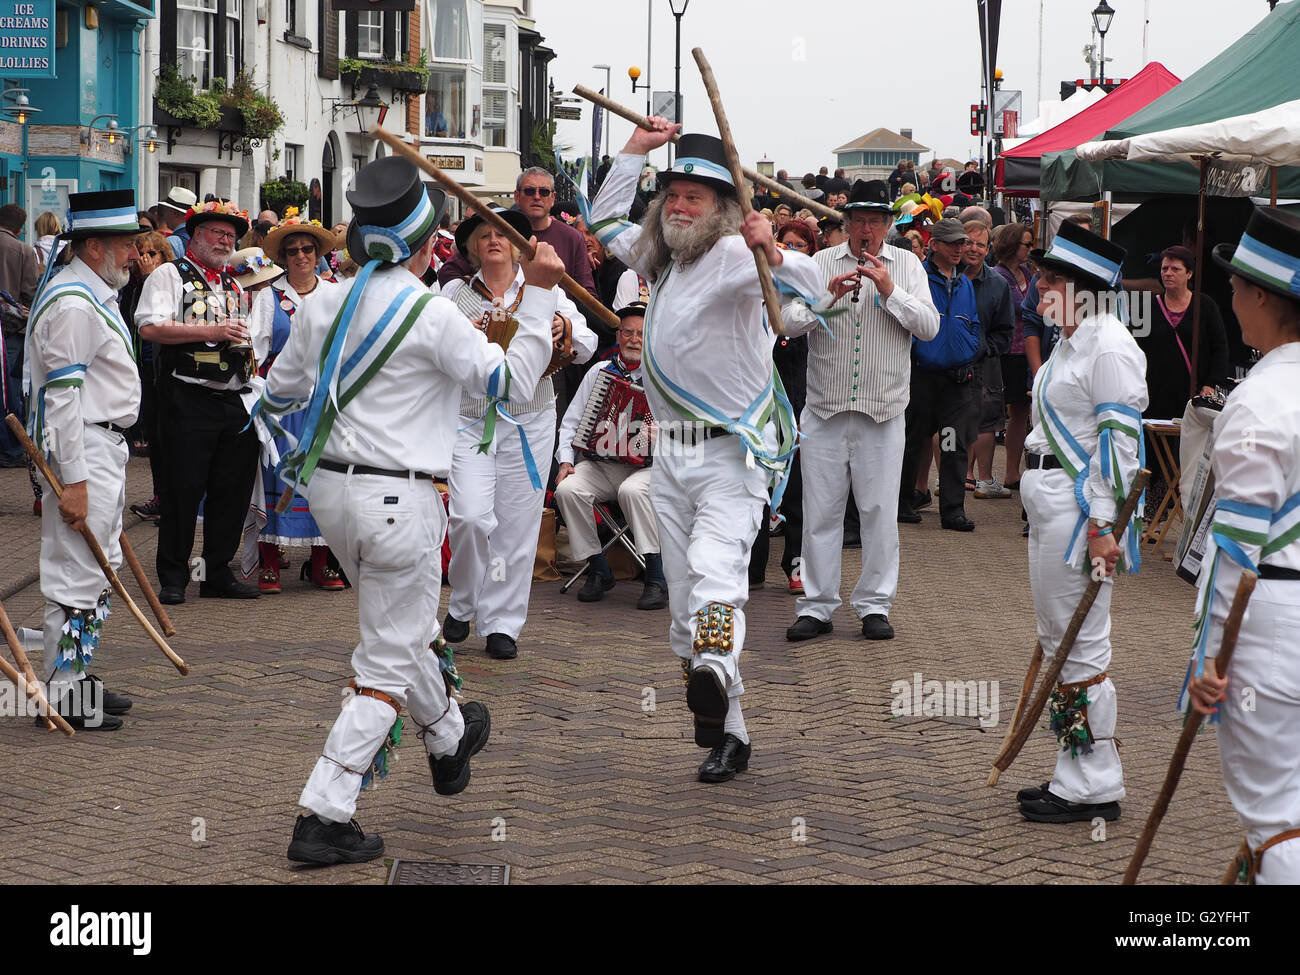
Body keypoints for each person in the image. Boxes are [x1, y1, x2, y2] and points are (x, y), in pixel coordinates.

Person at [257, 155, 563, 865]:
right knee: (386, 660)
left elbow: (277, 395)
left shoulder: (322, 301)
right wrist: (541, 295)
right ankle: (324, 813)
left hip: (331, 498)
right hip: (400, 500)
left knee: (407, 626)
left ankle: (450, 734)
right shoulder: (431, 315)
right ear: (427, 246)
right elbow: (512, 388)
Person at [590, 120, 826, 783]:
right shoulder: (660, 263)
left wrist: (774, 255)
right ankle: (731, 727)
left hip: (731, 456)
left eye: (695, 197)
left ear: (721, 209)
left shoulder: (731, 258)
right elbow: (604, 217)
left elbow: (816, 287)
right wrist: (636, 148)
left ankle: (717, 671)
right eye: (673, 195)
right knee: (683, 614)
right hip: (670, 461)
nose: (680, 206)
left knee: (717, 576)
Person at [1015, 218, 1146, 824]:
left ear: (1084, 288)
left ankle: (1094, 781)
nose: (1038, 289)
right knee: (1057, 641)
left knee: (1082, 646)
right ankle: (1076, 772)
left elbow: (1120, 443)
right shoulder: (1070, 343)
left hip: (1080, 515)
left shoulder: (1111, 345)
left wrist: (1102, 523)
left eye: (1049, 280)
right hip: (1048, 507)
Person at [1186, 206, 1300, 884]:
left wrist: (1207, 660)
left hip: (1267, 631)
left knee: (1274, 817)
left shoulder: (1257, 404)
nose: (1227, 297)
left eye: (1233, 285)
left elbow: (1235, 553)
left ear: (1261, 296)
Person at [785, 178, 939, 644]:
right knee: (821, 512)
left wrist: (891, 291)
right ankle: (816, 605)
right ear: (846, 223)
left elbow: (930, 328)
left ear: (888, 226)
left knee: (877, 512)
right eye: (858, 221)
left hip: (883, 410)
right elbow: (787, 324)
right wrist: (825, 298)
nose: (865, 230)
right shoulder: (819, 262)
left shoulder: (908, 265)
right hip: (825, 409)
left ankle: (874, 604)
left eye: (874, 221)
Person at [441, 205, 596, 660]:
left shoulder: (544, 289)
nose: (494, 240)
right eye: (485, 234)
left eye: (503, 234)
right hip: (470, 417)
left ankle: (502, 624)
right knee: (469, 516)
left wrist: (563, 326)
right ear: (471, 247)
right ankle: (465, 598)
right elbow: (431, 345)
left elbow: (585, 342)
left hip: (529, 419)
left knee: (517, 525)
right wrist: (461, 338)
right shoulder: (453, 294)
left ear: (519, 246)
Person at [23, 190, 145, 730]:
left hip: (104, 445)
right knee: (76, 572)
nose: (137, 254)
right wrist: (73, 481)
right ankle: (61, 689)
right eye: (127, 245)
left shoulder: (93, 293)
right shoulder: (74, 303)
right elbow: (63, 398)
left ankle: (73, 674)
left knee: (97, 569)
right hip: (86, 446)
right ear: (94, 247)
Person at [136, 200, 261, 604]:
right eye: (217, 233)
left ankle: (215, 573)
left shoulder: (233, 284)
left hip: (233, 402)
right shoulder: (169, 274)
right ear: (195, 235)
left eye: (230, 235)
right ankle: (174, 577)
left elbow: (237, 340)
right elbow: (151, 328)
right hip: (188, 399)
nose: (225, 241)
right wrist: (212, 329)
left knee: (230, 493)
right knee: (182, 491)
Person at [554, 289, 667, 610]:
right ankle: (598, 569)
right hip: (602, 465)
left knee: (632, 490)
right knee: (568, 489)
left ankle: (656, 576)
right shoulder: (599, 372)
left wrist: (659, 435)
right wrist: (565, 460)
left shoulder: (664, 380)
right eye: (628, 332)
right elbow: (570, 422)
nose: (634, 339)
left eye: (642, 334)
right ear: (618, 336)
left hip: (649, 468)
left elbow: (687, 434)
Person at [250, 214, 344, 594]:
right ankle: (269, 561)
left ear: (318, 253)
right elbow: (255, 351)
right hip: (283, 402)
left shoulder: (336, 294)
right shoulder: (268, 296)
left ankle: (321, 563)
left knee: (324, 481)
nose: (301, 256)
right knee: (277, 477)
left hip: (326, 402)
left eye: (307, 249)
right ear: (284, 258)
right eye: (293, 251)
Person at [898, 218, 981, 532]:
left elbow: (973, 322)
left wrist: (969, 348)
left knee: (952, 445)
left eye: (962, 243)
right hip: (923, 376)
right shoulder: (919, 277)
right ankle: (904, 502)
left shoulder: (964, 284)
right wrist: (921, 350)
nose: (960, 248)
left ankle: (952, 509)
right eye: (953, 243)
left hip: (955, 380)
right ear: (934, 246)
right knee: (912, 441)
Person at [1137, 245, 1229, 421]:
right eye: (1164, 268)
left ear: (1189, 273)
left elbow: (1220, 349)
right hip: (1154, 399)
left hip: (1194, 399)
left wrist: (1211, 384)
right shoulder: (1146, 308)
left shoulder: (1206, 306)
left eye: (1175, 269)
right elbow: (1134, 351)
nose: (1168, 273)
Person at [960, 220, 1015, 500]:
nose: (974, 249)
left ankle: (983, 479)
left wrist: (986, 349)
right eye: (969, 242)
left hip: (985, 363)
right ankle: (958, 475)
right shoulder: (946, 276)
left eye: (980, 244)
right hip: (949, 362)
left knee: (986, 419)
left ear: (988, 249)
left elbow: (1006, 330)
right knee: (953, 419)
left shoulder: (997, 284)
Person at [120, 231, 171, 512]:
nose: (144, 259)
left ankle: (169, 499)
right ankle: (159, 496)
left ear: (163, 257)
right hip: (142, 368)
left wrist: (152, 278)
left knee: (167, 437)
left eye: (152, 254)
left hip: (162, 368)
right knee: (154, 434)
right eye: (141, 253)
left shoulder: (167, 283)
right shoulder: (131, 284)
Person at [992, 222, 1034, 490]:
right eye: (1026, 244)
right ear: (1012, 245)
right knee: (991, 414)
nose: (1030, 249)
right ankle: (973, 473)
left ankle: (1012, 472)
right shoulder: (998, 276)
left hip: (1025, 352)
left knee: (1020, 412)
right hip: (1004, 352)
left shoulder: (1027, 273)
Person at [157, 187, 198, 259]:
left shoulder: (172, 242)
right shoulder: (199, 236)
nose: (164, 215)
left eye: (166, 210)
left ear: (175, 213)